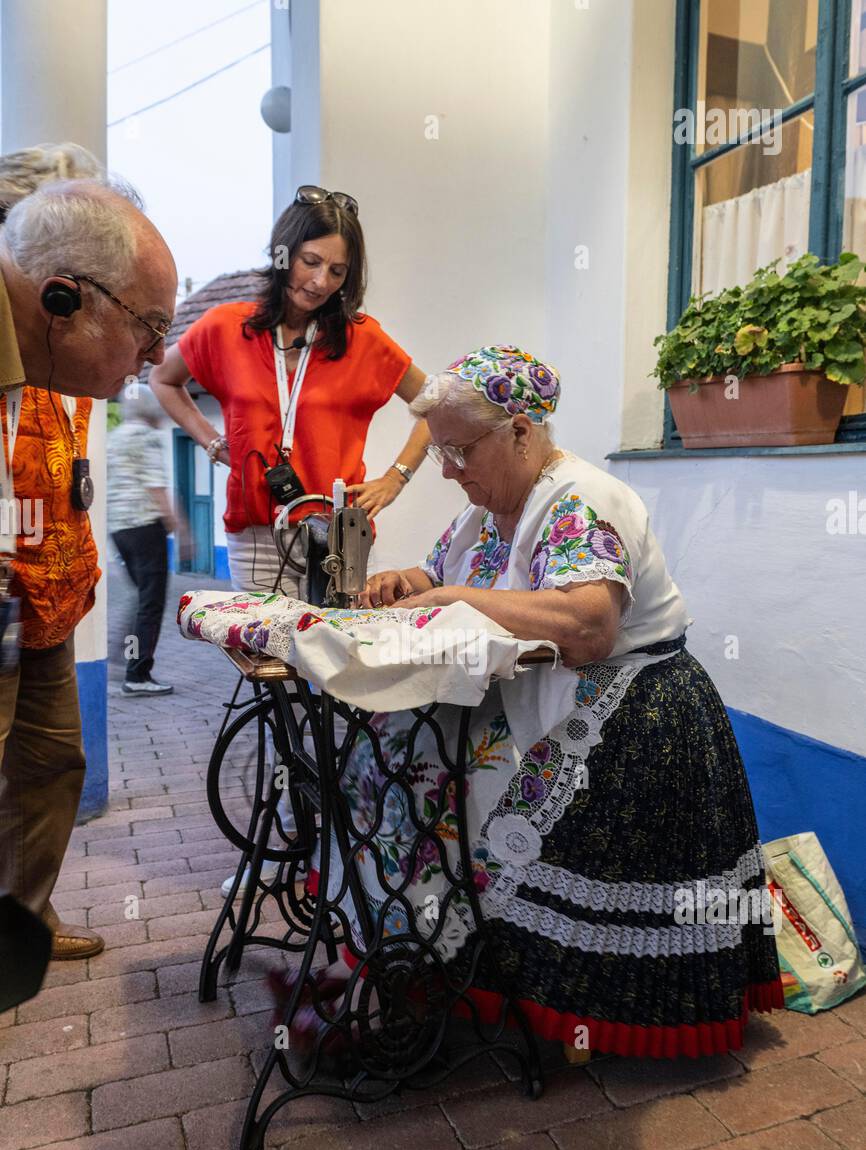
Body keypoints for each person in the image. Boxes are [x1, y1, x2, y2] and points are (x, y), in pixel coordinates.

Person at [284, 345, 783, 1063]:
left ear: (521, 431)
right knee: (389, 765)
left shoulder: (584, 499)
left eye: (458, 451)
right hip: (552, 702)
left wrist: (452, 596)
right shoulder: (486, 508)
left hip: (627, 718)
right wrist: (408, 580)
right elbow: (448, 570)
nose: (450, 471)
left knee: (491, 819)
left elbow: (588, 625)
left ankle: (552, 1007)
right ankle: (417, 955)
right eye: (442, 456)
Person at [0, 177, 177, 960]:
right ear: (65, 299)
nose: (158, 354)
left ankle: (19, 931)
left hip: (44, 594)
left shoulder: (43, 374)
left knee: (50, 762)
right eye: (149, 325)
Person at [149, 184, 431, 594]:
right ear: (284, 253)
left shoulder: (363, 340)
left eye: (337, 271)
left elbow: (438, 405)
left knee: (328, 653)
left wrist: (396, 477)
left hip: (337, 535)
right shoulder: (225, 327)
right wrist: (211, 443)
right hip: (255, 535)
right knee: (262, 654)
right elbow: (162, 377)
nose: (320, 282)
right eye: (310, 261)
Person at [108, 385, 190, 695]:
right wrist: (179, 528)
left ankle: (128, 659)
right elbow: (157, 487)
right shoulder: (148, 438)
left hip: (120, 530)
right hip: (145, 527)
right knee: (150, 604)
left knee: (141, 598)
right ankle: (137, 675)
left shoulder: (115, 438)